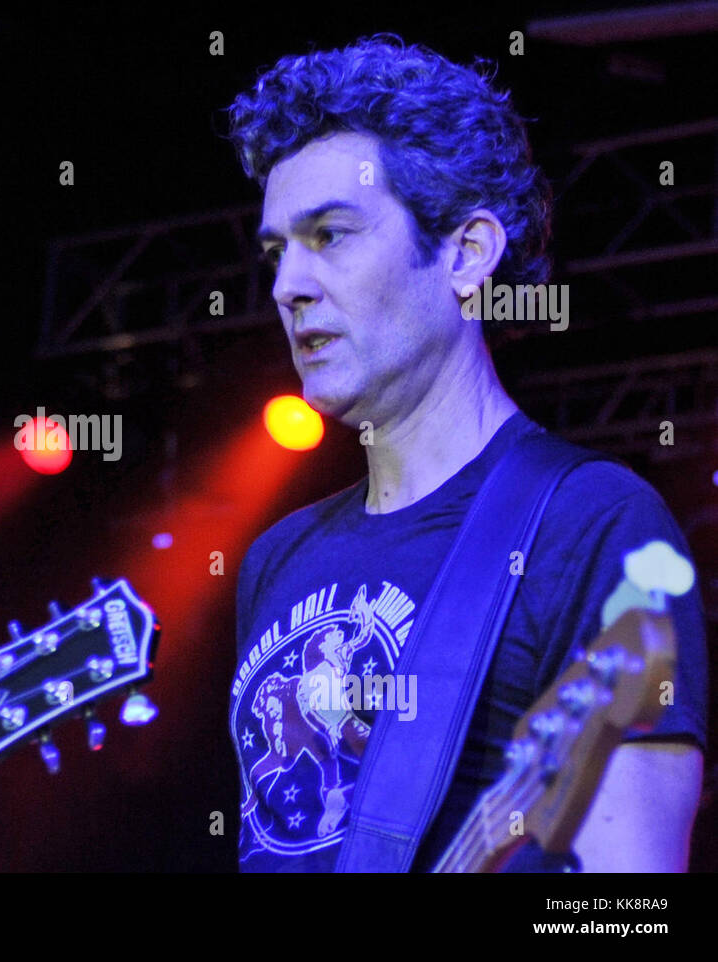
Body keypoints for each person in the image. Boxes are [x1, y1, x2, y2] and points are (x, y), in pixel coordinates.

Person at [226, 37, 707, 872]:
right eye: (277, 251)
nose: (285, 286)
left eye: (330, 236)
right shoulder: (277, 558)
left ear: (467, 254)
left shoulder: (593, 524)